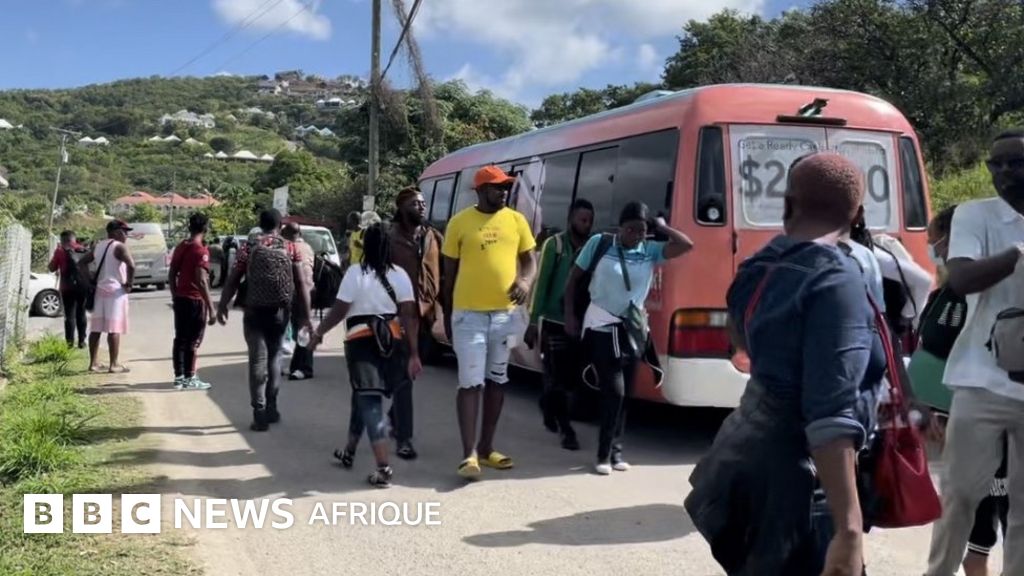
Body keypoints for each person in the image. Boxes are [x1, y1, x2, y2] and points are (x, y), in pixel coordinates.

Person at [685, 153, 886, 575]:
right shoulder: (836, 280)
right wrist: (849, 530)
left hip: (740, 462)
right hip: (799, 489)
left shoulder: (758, 267)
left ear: (787, 205)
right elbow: (831, 415)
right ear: (859, 214)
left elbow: (744, 344)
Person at [925, 130, 1024, 576]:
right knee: (960, 494)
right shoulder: (974, 215)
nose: (1004, 172)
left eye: (1015, 163)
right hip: (981, 379)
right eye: (996, 164)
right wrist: (1018, 253)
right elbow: (961, 279)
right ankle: (939, 572)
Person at [907, 205, 1008, 576]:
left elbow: (965, 354)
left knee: (983, 501)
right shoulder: (952, 287)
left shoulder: (978, 288)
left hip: (970, 411)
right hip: (950, 412)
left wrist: (946, 411)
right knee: (966, 504)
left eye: (937, 242)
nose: (935, 250)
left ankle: (973, 561)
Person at [564, 202, 693, 474]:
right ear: (620, 227)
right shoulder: (600, 243)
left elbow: (686, 245)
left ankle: (616, 451)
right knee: (614, 390)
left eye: (641, 230)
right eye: (631, 229)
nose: (635, 235)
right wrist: (570, 316)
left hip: (632, 328)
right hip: (601, 323)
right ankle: (602, 455)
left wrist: (662, 228)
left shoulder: (650, 250)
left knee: (626, 392)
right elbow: (573, 279)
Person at [441, 165, 537, 479]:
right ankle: (468, 455)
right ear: (480, 190)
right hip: (469, 316)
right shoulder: (459, 223)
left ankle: (486, 447)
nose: (503, 192)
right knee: (471, 383)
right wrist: (447, 315)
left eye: (506, 187)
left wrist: (525, 281)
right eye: (497, 187)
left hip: (506, 316)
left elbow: (530, 262)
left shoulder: (516, 220)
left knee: (498, 380)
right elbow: (448, 276)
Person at [310, 223, 423, 488]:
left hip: (361, 342)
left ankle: (383, 468)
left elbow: (339, 310)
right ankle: (349, 450)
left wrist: (318, 334)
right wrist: (414, 353)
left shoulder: (354, 274)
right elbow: (410, 316)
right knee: (361, 395)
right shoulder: (400, 276)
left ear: (364, 247)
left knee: (369, 400)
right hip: (393, 342)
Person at [217, 209, 314, 432]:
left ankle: (258, 411)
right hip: (280, 312)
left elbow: (234, 277)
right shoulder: (290, 247)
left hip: (253, 310)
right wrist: (307, 317)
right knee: (275, 357)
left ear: (260, 224)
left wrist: (223, 305)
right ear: (280, 225)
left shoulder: (249, 246)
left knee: (256, 360)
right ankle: (272, 406)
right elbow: (301, 284)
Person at [525, 198, 595, 451]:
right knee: (557, 379)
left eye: (589, 221)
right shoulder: (555, 245)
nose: (586, 225)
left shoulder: (592, 246)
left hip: (580, 321)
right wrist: (534, 322)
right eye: (582, 220)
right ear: (570, 219)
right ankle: (567, 431)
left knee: (571, 379)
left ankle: (546, 403)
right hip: (554, 321)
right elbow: (541, 285)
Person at [387, 186, 444, 460]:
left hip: (424, 315)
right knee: (403, 376)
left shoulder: (432, 236)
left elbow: (442, 274)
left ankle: (393, 416)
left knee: (406, 376)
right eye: (414, 204)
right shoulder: (388, 238)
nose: (421, 207)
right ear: (401, 208)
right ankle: (404, 439)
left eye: (422, 203)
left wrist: (449, 310)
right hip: (396, 315)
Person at [78, 220, 137, 374]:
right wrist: (129, 284)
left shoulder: (99, 246)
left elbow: (82, 262)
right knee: (114, 329)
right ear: (116, 232)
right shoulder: (119, 247)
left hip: (99, 291)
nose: (126, 235)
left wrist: (89, 279)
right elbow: (131, 265)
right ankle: (114, 364)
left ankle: (93, 363)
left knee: (96, 328)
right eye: (124, 231)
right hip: (115, 292)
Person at [168, 212, 216, 391]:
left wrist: (175, 294)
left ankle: (179, 377)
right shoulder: (200, 250)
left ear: (189, 227)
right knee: (193, 340)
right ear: (206, 228)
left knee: (180, 338)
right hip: (195, 301)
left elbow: (172, 273)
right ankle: (190, 376)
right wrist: (211, 308)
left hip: (181, 299)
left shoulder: (182, 246)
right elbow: (201, 280)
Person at [282, 222, 316, 380]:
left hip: (300, 293)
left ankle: (306, 368)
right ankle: (296, 366)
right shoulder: (307, 247)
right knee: (300, 331)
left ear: (288, 233)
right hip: (308, 292)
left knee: (303, 332)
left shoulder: (290, 248)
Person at [49, 230, 88, 348]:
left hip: (67, 287)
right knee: (81, 313)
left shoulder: (60, 251)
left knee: (69, 315)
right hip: (82, 286)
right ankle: (82, 341)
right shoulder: (82, 249)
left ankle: (70, 343)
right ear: (74, 238)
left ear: (63, 239)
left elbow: (51, 268)